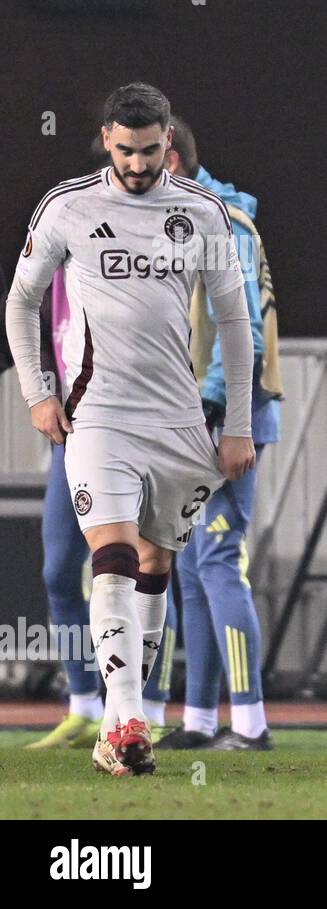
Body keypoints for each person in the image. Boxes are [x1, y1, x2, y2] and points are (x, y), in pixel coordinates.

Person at [4, 82, 254, 776]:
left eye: (148, 151)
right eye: (125, 151)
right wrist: (37, 393)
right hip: (99, 414)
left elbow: (235, 322)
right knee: (109, 554)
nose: (137, 164)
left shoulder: (202, 212)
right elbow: (21, 301)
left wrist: (236, 424)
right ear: (107, 142)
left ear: (167, 141)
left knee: (155, 566)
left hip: (176, 419)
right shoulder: (68, 206)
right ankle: (129, 718)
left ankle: (121, 723)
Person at [153, 115, 283, 751]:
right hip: (206, 416)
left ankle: (252, 724)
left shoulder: (221, 223)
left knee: (218, 561)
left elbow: (243, 337)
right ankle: (201, 720)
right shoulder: (206, 218)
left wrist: (215, 414)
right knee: (194, 568)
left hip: (226, 417)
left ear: (170, 159)